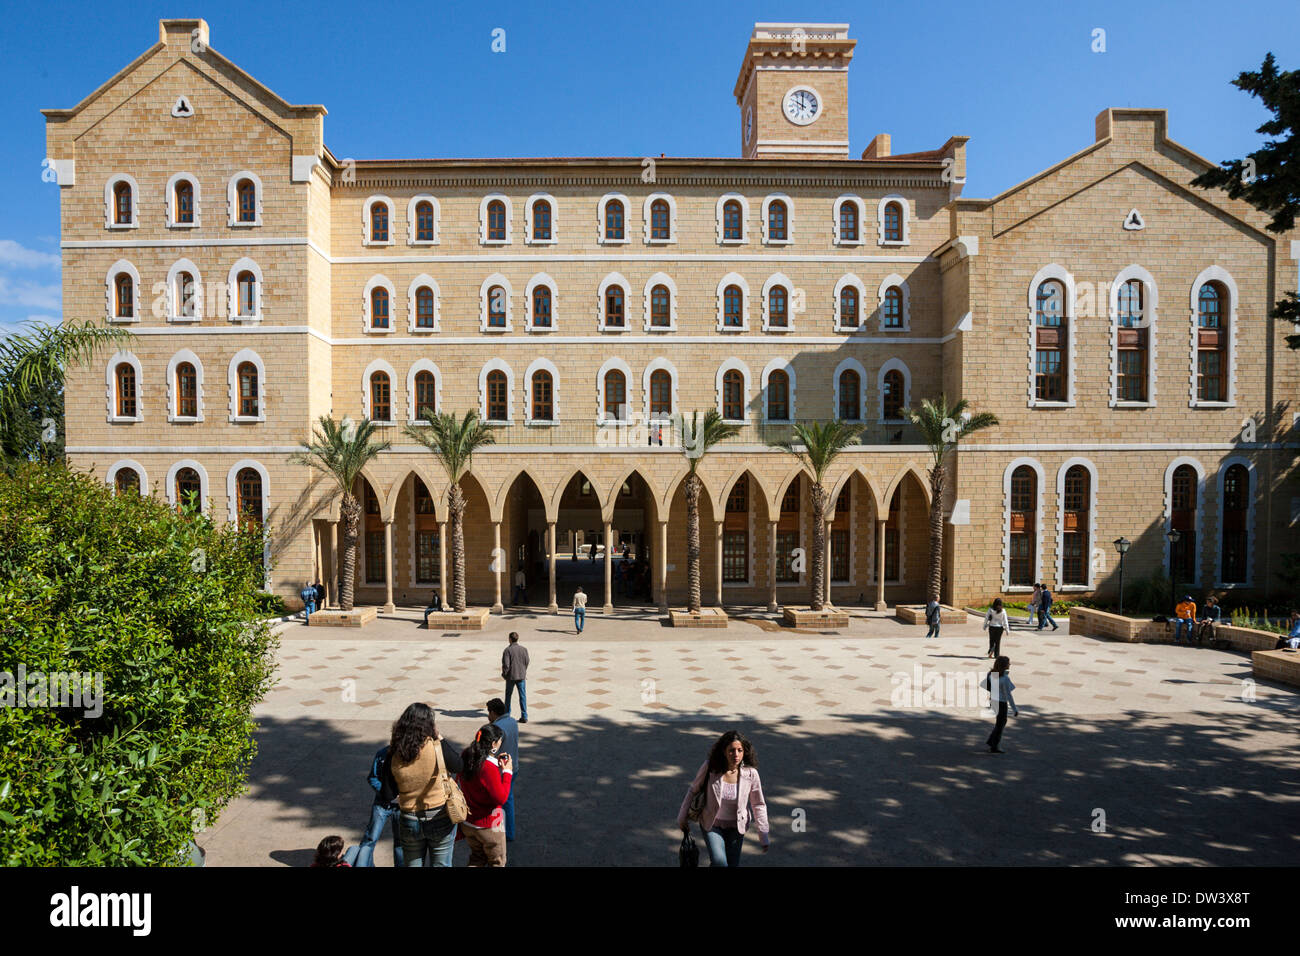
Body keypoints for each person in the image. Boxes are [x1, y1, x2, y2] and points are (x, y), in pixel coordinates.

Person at [676, 731, 770, 867]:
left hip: (737, 828)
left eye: (740, 750)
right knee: (720, 863)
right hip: (712, 824)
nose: (736, 755)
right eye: (731, 750)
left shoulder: (751, 774)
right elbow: (693, 790)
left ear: (745, 752)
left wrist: (763, 833)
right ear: (724, 752)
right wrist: (682, 817)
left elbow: (758, 805)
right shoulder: (711, 768)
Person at [388, 702, 463, 867]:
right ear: (430, 725)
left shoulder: (394, 752)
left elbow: (388, 793)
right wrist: (440, 737)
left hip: (409, 818)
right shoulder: (436, 747)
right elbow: (458, 765)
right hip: (440, 815)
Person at [456, 723, 513, 866]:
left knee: (476, 858)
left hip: (468, 822)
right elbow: (501, 798)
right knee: (497, 862)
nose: (501, 744)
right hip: (489, 825)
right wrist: (507, 772)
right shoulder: (488, 768)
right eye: (500, 741)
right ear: (493, 744)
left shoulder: (466, 754)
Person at [354, 744, 404, 867]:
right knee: (370, 838)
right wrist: (386, 794)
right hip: (382, 803)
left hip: (401, 806)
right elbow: (372, 777)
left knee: (400, 842)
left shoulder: (409, 755)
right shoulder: (382, 754)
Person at [487, 698, 519, 841]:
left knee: (499, 801)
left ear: (493, 712)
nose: (488, 716)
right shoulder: (512, 721)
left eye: (489, 712)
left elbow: (491, 750)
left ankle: (501, 831)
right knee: (508, 799)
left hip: (501, 771)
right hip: (514, 766)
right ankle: (508, 831)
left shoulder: (497, 728)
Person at [983, 656, 1019, 753]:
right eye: (1008, 663)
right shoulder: (1005, 679)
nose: (1010, 664)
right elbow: (1009, 695)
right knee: (1001, 724)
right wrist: (1015, 709)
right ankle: (994, 746)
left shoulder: (991, 674)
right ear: (1004, 665)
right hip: (1001, 703)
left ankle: (992, 742)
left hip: (993, 701)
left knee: (999, 723)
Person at [502, 631, 529, 723]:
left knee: (508, 696)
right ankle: (524, 715)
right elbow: (527, 661)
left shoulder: (507, 650)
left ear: (510, 639)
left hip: (511, 677)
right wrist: (523, 670)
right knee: (522, 696)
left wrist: (504, 674)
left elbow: (506, 665)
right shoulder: (524, 649)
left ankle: (507, 715)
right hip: (521, 676)